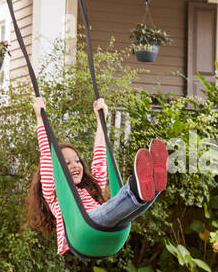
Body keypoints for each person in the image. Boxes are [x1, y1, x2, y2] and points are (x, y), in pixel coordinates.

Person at [25, 96, 166, 254]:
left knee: (126, 213)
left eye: (77, 161)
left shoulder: (90, 189)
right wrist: (39, 117)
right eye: (67, 163)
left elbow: (100, 157)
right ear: (56, 170)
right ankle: (134, 187)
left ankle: (154, 187)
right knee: (103, 211)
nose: (75, 165)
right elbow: (46, 153)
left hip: (111, 232)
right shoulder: (54, 193)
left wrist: (102, 119)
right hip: (82, 234)